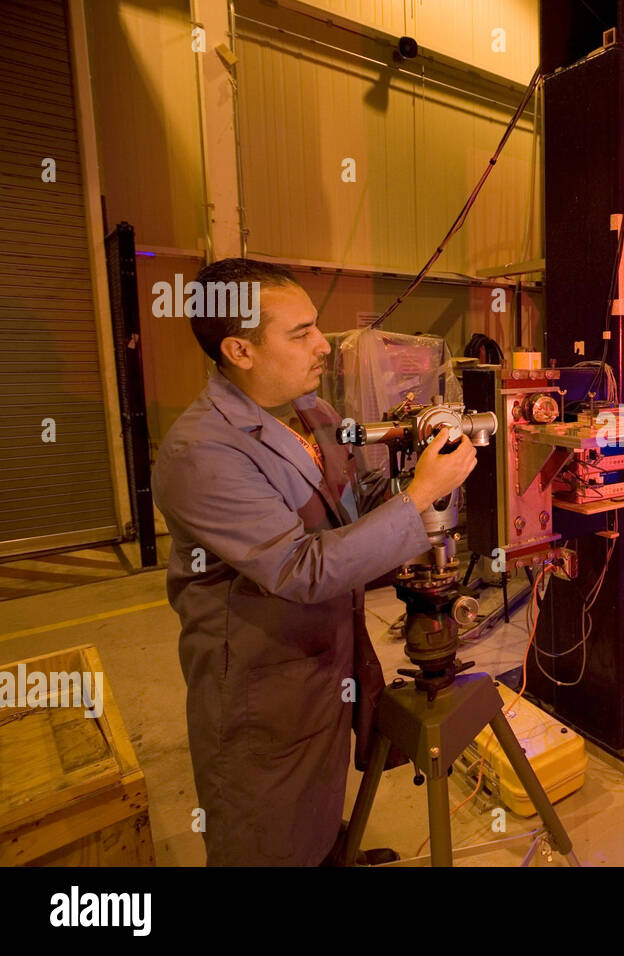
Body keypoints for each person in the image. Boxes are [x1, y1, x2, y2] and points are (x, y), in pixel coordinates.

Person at [153, 258, 477, 865]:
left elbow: (353, 513)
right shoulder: (200, 453)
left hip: (329, 654)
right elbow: (300, 569)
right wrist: (421, 497)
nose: (323, 346)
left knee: (320, 798)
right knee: (267, 827)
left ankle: (330, 853)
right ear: (239, 350)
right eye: (300, 333)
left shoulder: (314, 415)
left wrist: (420, 473)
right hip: (262, 680)